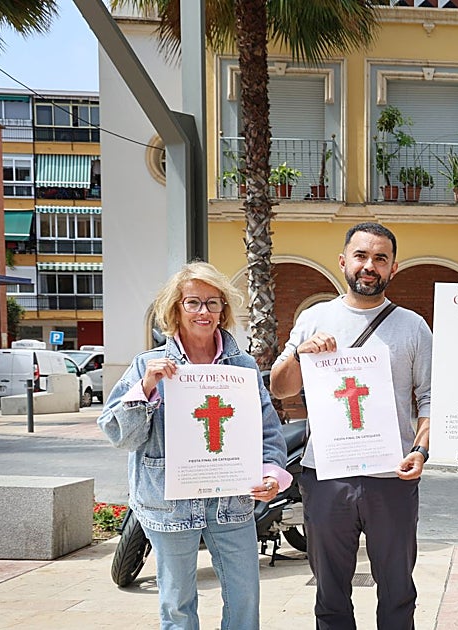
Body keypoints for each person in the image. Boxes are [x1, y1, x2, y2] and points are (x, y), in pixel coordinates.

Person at [98, 261, 290, 630]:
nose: (204, 311)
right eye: (193, 303)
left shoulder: (243, 367)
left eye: (213, 302)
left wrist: (270, 475)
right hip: (171, 505)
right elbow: (118, 433)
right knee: (177, 603)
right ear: (176, 309)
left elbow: (267, 431)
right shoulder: (146, 366)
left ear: (223, 310)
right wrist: (146, 389)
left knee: (245, 597)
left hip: (232, 500)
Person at [269, 222, 432, 630]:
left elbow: (432, 397)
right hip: (327, 475)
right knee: (330, 594)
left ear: (394, 268)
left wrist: (421, 449)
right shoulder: (314, 318)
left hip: (390, 477)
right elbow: (280, 388)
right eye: (361, 256)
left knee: (397, 591)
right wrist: (300, 355)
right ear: (343, 262)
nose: (369, 266)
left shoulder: (412, 326)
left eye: (380, 258)